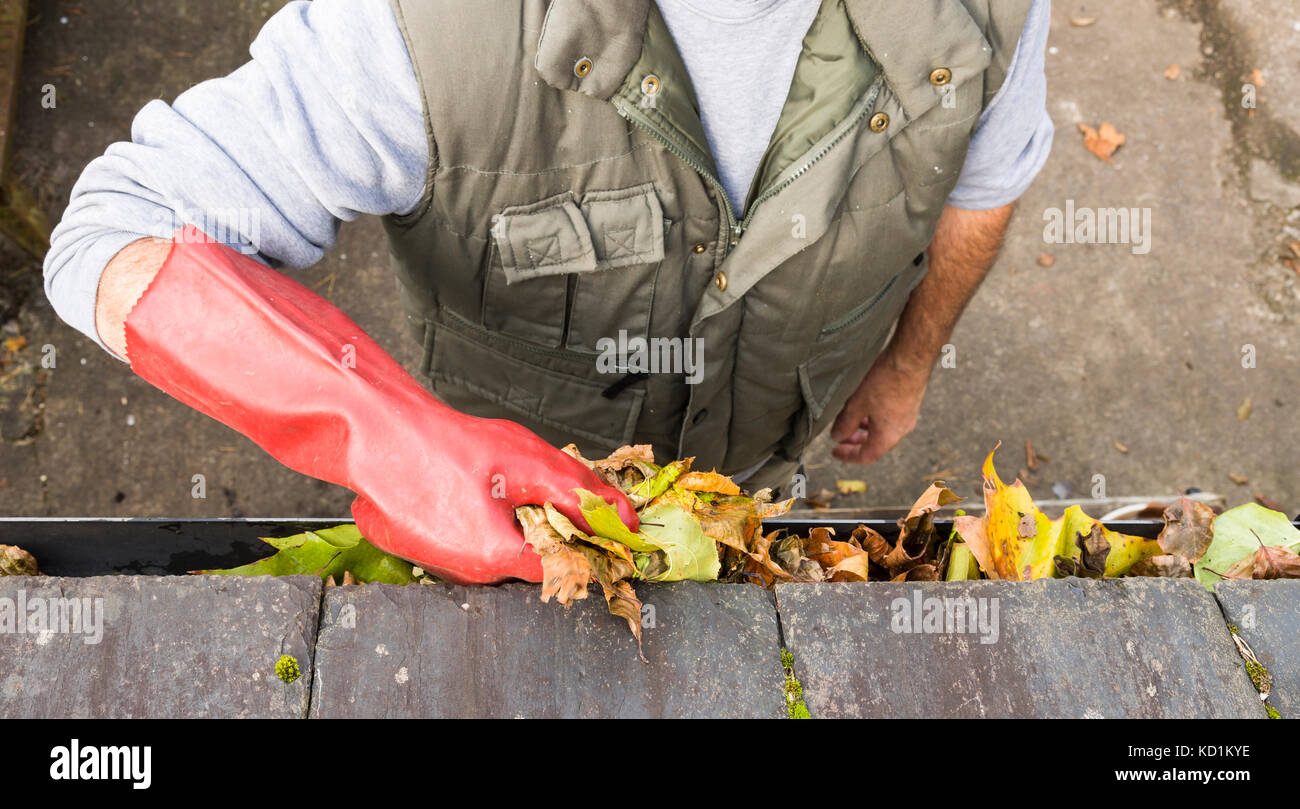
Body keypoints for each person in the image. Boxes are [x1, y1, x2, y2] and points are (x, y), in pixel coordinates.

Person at [43, 0, 1053, 583]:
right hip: (515, 534)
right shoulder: (418, 29)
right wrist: (385, 430)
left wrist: (909, 361)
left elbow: (984, 177)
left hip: (768, 459)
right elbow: (115, 235)